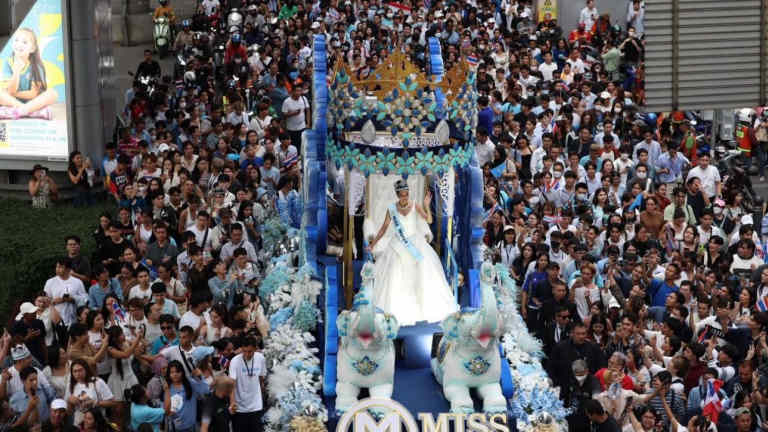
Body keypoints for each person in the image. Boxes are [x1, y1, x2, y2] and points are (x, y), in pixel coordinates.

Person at [366, 179, 458, 325]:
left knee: (423, 274)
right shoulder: (391, 208)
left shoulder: (415, 205)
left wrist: (427, 206)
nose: (404, 197)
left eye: (406, 194)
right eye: (402, 194)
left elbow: (428, 220)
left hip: (416, 243)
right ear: (397, 195)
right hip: (397, 244)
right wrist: (373, 244)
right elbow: (384, 228)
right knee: (395, 274)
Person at [0, 27, 58, 120]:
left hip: (33, 101)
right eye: (16, 40)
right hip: (11, 101)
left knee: (53, 93)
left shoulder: (36, 65)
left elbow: (33, 94)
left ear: (32, 49)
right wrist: (16, 72)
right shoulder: (8, 62)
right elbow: (11, 91)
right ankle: (30, 112)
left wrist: (14, 93)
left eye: (24, 42)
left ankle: (21, 110)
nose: (19, 44)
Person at [229, 336, 265, 432]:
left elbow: (261, 378)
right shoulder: (235, 361)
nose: (247, 354)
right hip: (240, 408)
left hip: (256, 406)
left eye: (250, 351)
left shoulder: (260, 358)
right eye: (244, 351)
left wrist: (261, 396)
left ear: (255, 349)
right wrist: (232, 402)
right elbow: (232, 385)